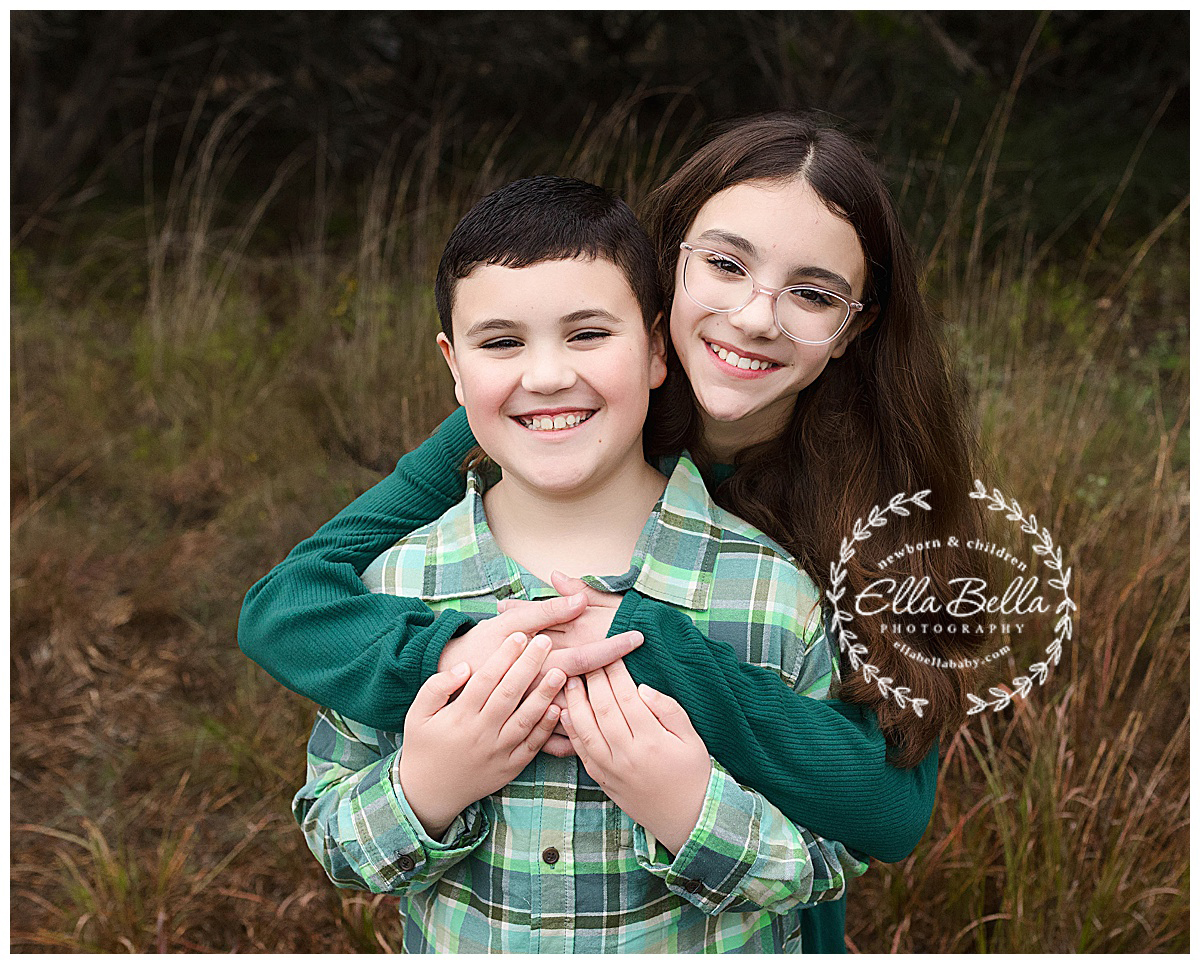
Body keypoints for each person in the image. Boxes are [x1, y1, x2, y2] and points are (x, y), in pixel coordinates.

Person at [243, 112, 988, 951]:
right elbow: (286, 608)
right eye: (727, 264)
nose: (753, 317)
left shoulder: (878, 515)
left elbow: (888, 811)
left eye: (813, 292)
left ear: (855, 323)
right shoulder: (552, 415)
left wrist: (643, 650)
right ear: (666, 277)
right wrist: (467, 660)